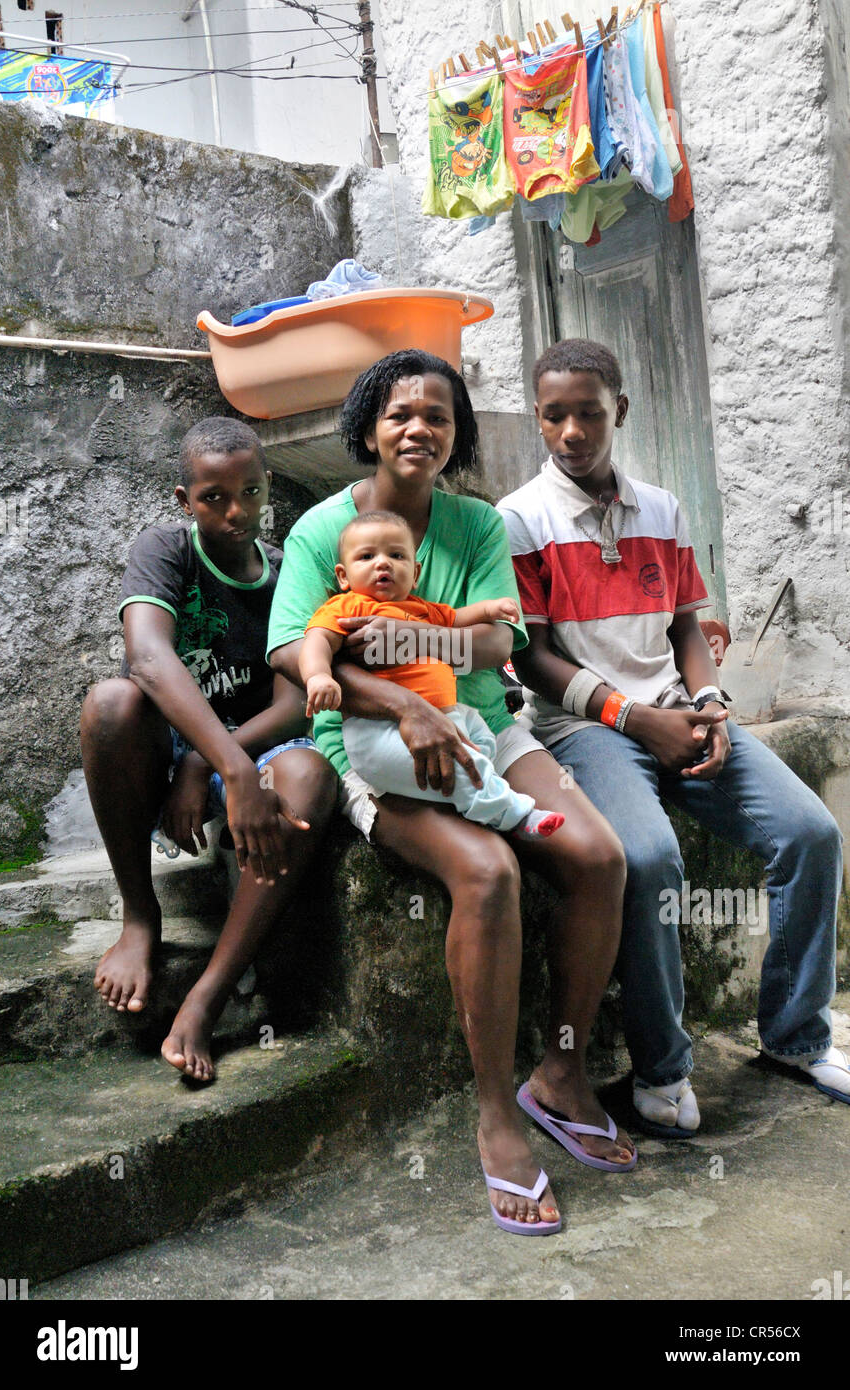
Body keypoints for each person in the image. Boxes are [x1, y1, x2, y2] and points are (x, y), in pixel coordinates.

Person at [268, 349, 635, 1238]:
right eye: (399, 414)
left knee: (597, 856)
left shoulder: (474, 527)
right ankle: (496, 1115)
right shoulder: (322, 531)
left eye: (437, 416)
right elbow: (295, 655)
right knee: (489, 873)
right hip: (368, 746)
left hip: (483, 728)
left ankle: (556, 1071)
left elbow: (496, 651)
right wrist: (400, 701)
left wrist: (395, 664)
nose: (417, 429)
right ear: (366, 429)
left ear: (454, 435)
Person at [497, 337, 847, 1136]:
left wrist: (710, 704)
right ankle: (662, 1070)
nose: (571, 432)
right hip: (586, 728)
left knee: (809, 834)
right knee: (648, 860)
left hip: (675, 711)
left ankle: (794, 1039)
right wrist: (633, 719)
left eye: (587, 412)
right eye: (553, 416)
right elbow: (534, 658)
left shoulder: (661, 507)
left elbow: (685, 624)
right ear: (539, 421)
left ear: (616, 411)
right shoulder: (518, 519)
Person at [80, 417, 337, 1082]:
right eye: (214, 498)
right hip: (179, 751)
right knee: (111, 704)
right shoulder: (166, 550)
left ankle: (209, 993)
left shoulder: (286, 570)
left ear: (268, 485)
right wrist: (205, 758)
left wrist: (216, 763)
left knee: (311, 773)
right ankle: (141, 917)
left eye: (250, 492)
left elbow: (289, 705)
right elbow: (146, 656)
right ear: (183, 500)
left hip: (250, 754)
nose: (236, 512)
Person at [299, 509, 565, 839]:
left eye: (396, 555)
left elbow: (458, 618)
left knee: (480, 737)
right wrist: (318, 677)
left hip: (445, 715)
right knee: (464, 758)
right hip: (378, 730)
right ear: (343, 575)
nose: (382, 563)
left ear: (414, 573)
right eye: (367, 556)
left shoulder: (420, 608)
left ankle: (475, 794)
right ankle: (516, 816)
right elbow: (316, 640)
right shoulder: (348, 606)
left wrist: (490, 609)